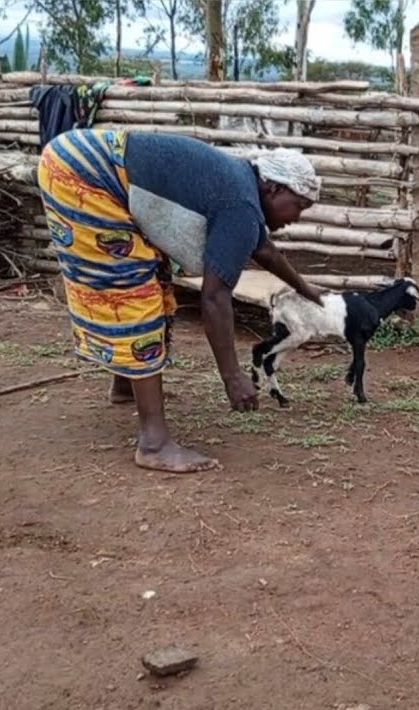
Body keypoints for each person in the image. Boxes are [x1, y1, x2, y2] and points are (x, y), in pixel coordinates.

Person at [37, 129, 326, 474]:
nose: (297, 217)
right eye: (300, 206)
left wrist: (305, 289)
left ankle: (126, 384)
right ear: (275, 188)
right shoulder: (241, 204)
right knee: (133, 292)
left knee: (153, 277)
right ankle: (154, 444)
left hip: (78, 159)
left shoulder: (243, 190)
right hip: (82, 173)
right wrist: (232, 377)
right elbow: (215, 297)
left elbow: (262, 248)